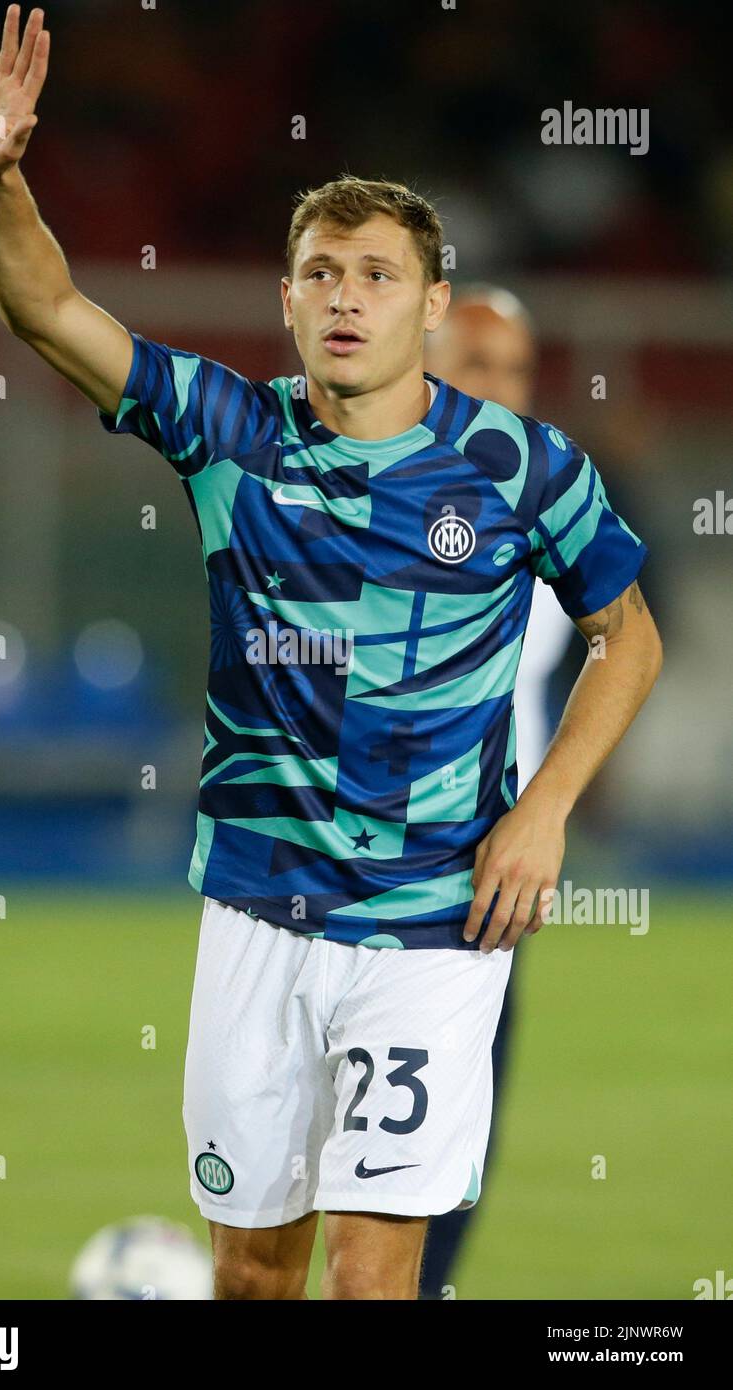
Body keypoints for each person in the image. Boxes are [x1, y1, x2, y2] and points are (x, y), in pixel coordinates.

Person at [0, 6, 663, 1300]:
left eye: (378, 273)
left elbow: (628, 635)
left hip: (431, 921)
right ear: (287, 298)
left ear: (431, 301)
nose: (348, 297)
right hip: (253, 907)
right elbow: (44, 305)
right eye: (323, 273)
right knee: (248, 1274)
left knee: (369, 1273)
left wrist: (546, 809)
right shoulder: (230, 430)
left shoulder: (517, 464)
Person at [419, 287, 575, 1296]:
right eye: (472, 365)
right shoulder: (365, 489)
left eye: (511, 369)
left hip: (492, 874)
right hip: (352, 863)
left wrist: (545, 807)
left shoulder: (552, 505)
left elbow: (625, 646)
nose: (494, 390)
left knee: (464, 1118)